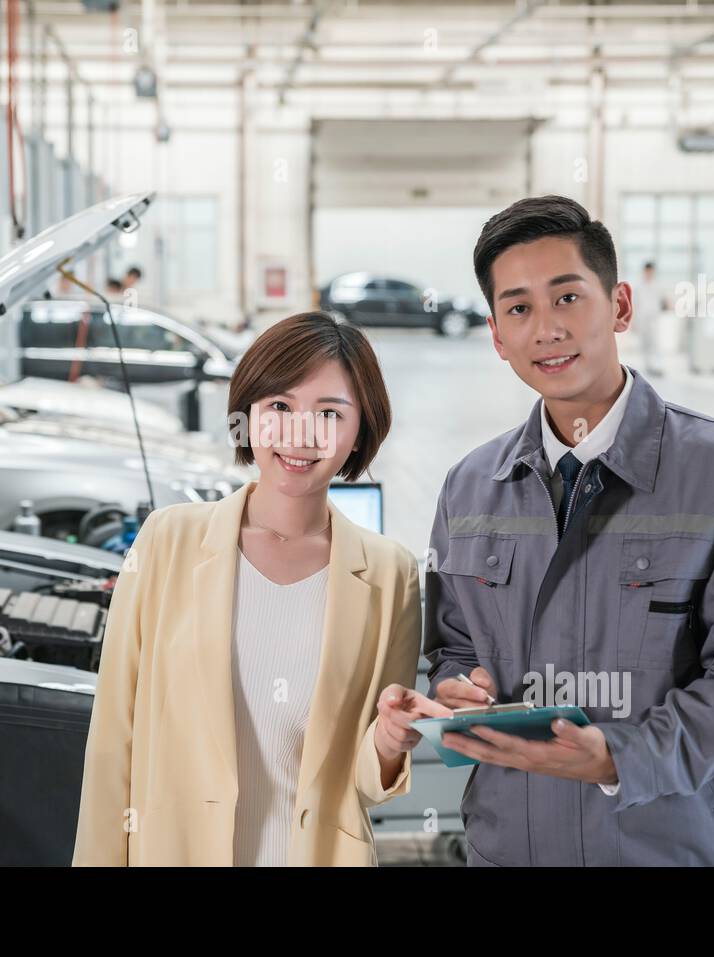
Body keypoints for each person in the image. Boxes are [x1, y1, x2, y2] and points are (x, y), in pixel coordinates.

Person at [425, 195, 714, 866]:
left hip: (667, 850)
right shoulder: (470, 485)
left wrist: (619, 757)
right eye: (518, 308)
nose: (545, 328)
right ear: (496, 335)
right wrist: (457, 686)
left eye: (567, 297)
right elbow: (452, 645)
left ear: (621, 306)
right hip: (508, 848)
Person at [73, 311, 447, 866]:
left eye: (329, 413)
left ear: (359, 430)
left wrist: (391, 743)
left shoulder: (388, 574)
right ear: (247, 415)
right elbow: (112, 746)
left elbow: (363, 784)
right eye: (279, 407)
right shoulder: (166, 543)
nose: (300, 434)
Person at [632, 261, 666, 376]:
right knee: (644, 344)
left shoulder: (657, 286)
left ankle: (658, 366)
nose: (649, 273)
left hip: (653, 319)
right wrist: (634, 321)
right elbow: (635, 304)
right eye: (647, 271)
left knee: (655, 343)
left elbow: (663, 301)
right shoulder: (638, 286)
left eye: (651, 271)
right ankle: (648, 366)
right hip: (641, 318)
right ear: (644, 271)